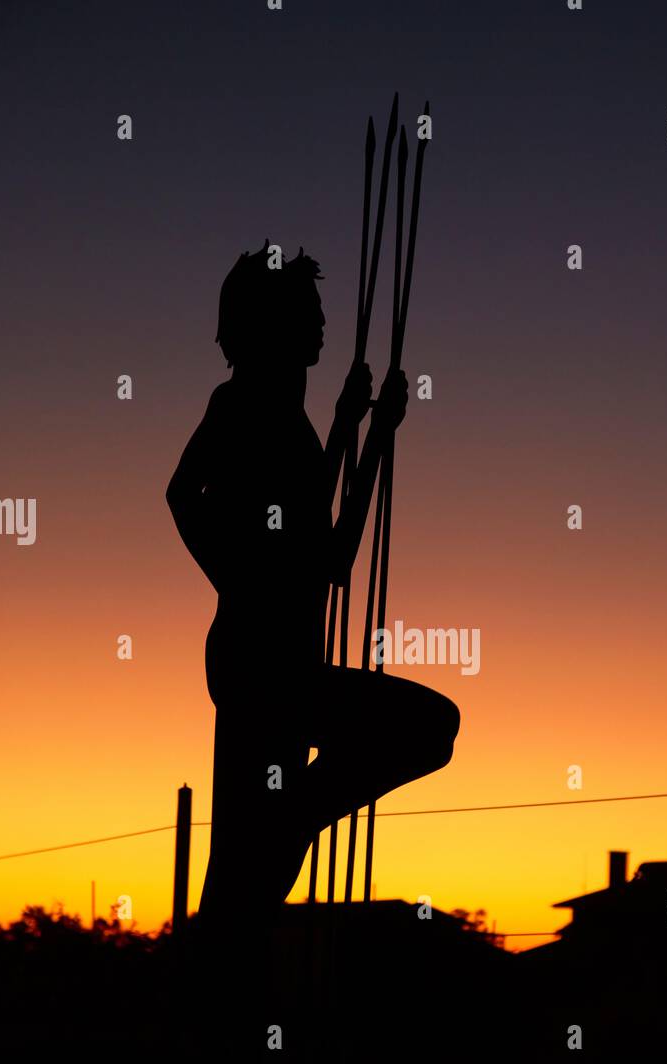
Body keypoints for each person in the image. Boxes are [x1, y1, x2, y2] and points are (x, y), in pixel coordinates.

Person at [166, 242, 459, 924]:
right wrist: (233, 575)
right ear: (272, 322)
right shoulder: (237, 402)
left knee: (252, 873)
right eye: (310, 311)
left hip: (287, 661)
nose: (323, 323)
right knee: (427, 726)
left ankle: (282, 835)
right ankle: (292, 820)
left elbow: (330, 555)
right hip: (259, 666)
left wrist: (368, 431)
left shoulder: (292, 425)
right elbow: (182, 493)